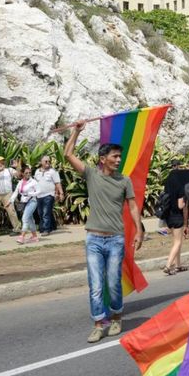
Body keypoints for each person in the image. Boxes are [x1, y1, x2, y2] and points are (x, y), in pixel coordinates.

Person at [63, 120, 144, 343]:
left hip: (116, 239)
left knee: (113, 283)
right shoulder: (91, 175)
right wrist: (76, 131)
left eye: (119, 157)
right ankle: (99, 323)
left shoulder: (124, 180)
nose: (118, 160)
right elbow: (68, 154)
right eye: (114, 157)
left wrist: (139, 231)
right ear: (102, 159)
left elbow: (133, 206)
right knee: (96, 285)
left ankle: (117, 316)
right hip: (94, 239)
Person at [162, 160, 189, 275]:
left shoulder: (167, 188)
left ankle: (178, 265)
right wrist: (186, 201)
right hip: (178, 217)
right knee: (178, 242)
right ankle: (168, 265)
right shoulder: (180, 189)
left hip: (169, 216)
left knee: (175, 241)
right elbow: (181, 205)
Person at [0, 156, 21, 236]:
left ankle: (17, 229)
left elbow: (18, 175)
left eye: (3, 160)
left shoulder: (9, 170)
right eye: (0, 161)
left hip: (7, 194)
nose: (2, 162)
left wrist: (17, 167)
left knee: (11, 212)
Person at [34, 155, 64, 236]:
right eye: (46, 161)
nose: (48, 163)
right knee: (40, 213)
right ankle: (50, 227)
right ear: (41, 162)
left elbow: (57, 183)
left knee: (46, 212)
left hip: (49, 195)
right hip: (39, 196)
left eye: (49, 161)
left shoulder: (53, 171)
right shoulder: (37, 171)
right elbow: (34, 183)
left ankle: (46, 229)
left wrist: (60, 193)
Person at [10, 166, 40, 244]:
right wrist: (11, 201)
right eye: (26, 173)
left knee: (25, 218)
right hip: (24, 202)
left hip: (32, 201)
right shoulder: (20, 182)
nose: (28, 174)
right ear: (22, 173)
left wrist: (30, 193)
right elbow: (16, 192)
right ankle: (34, 236)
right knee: (30, 220)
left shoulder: (33, 181)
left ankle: (22, 236)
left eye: (30, 173)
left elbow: (39, 191)